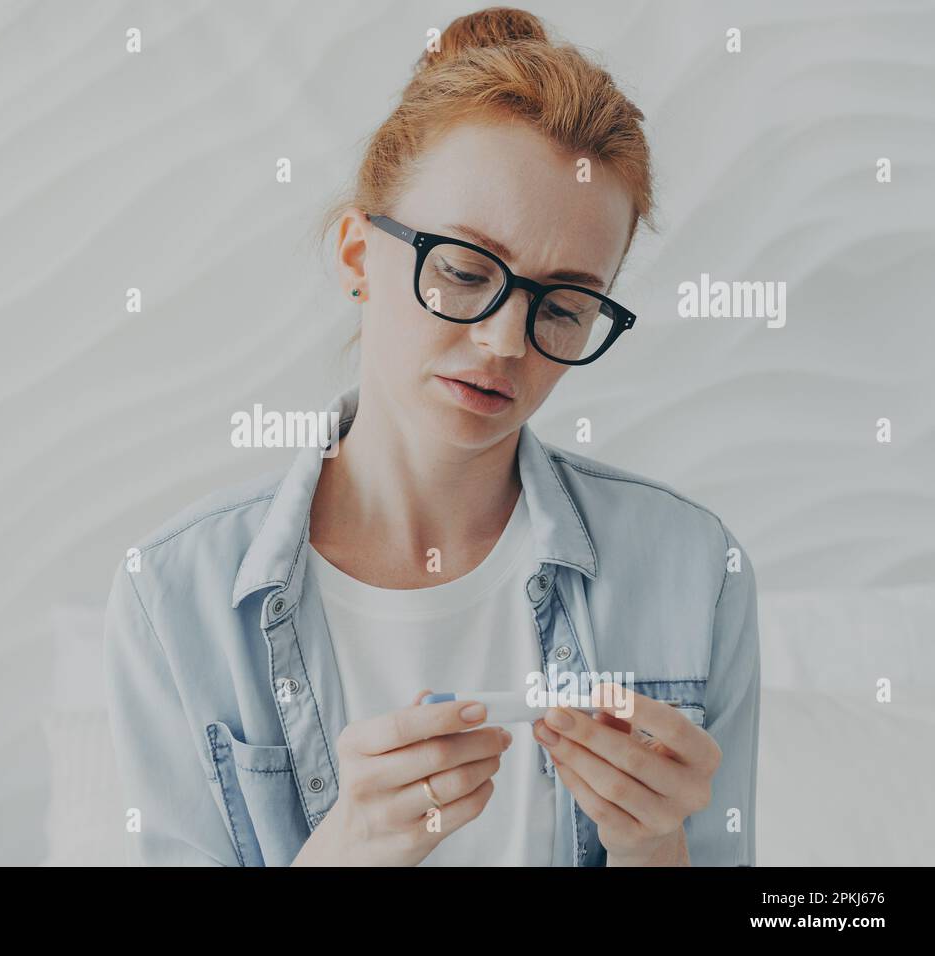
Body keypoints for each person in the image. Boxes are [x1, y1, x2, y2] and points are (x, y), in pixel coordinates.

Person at [102, 5, 760, 867]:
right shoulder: (177, 598)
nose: (503, 341)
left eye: (563, 305)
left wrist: (656, 848)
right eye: (461, 269)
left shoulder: (692, 569)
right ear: (355, 255)